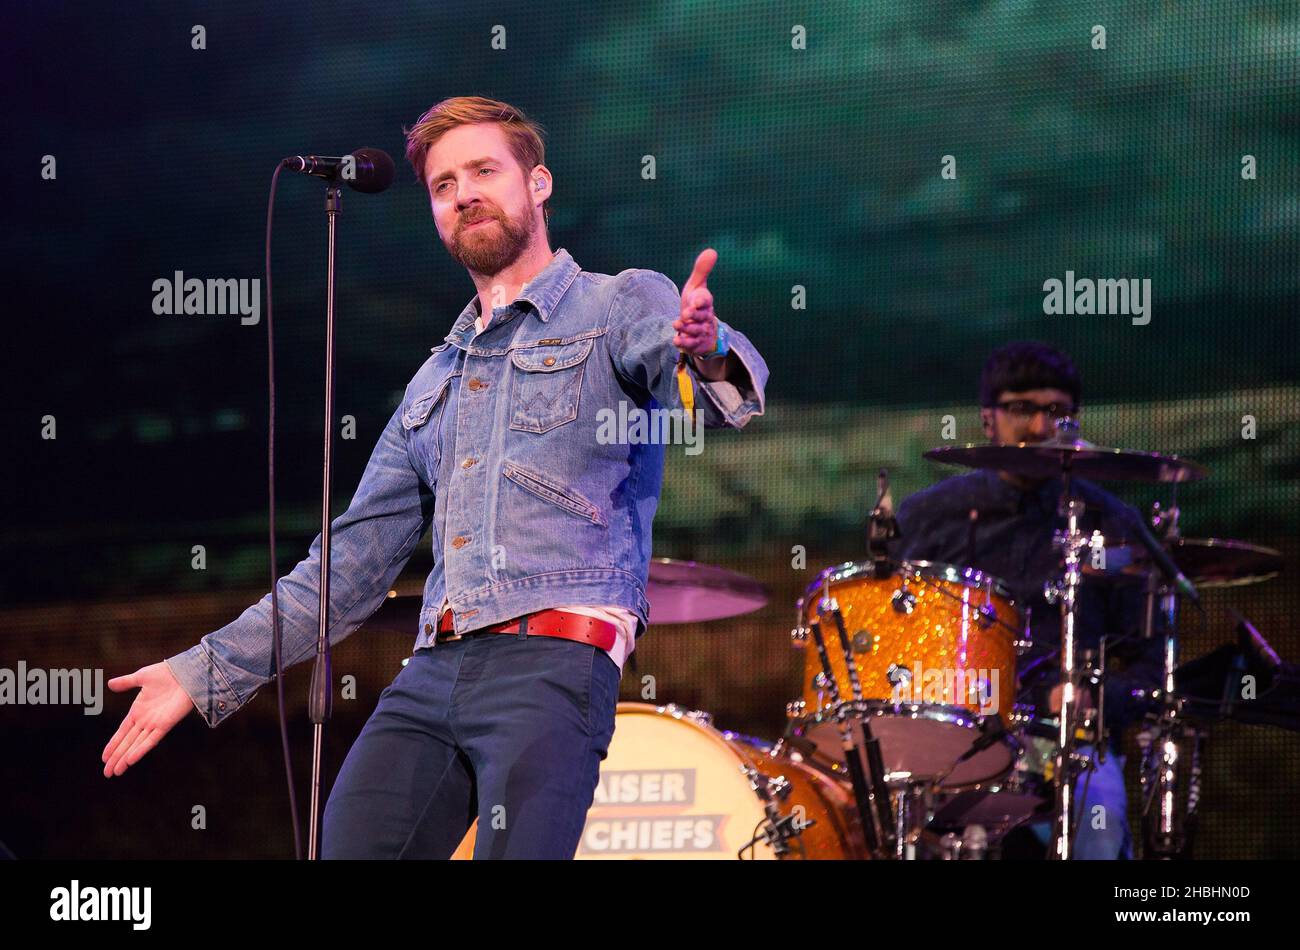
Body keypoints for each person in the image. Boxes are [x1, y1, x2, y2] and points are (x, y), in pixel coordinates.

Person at [100, 96, 768, 859]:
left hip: (552, 662)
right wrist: (201, 671)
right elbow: (344, 568)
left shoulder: (616, 302)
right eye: (444, 186)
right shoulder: (432, 383)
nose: (464, 194)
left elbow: (704, 385)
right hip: (434, 670)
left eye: (484, 170)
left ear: (538, 184)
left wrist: (704, 348)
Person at [890, 341, 1161, 859]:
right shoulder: (928, 518)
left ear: (1075, 423)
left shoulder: (1111, 526)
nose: (1039, 428)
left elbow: (1150, 667)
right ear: (988, 419)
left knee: (1099, 825)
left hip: (1070, 744)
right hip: (950, 735)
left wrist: (1095, 700)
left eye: (1056, 412)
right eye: (1021, 410)